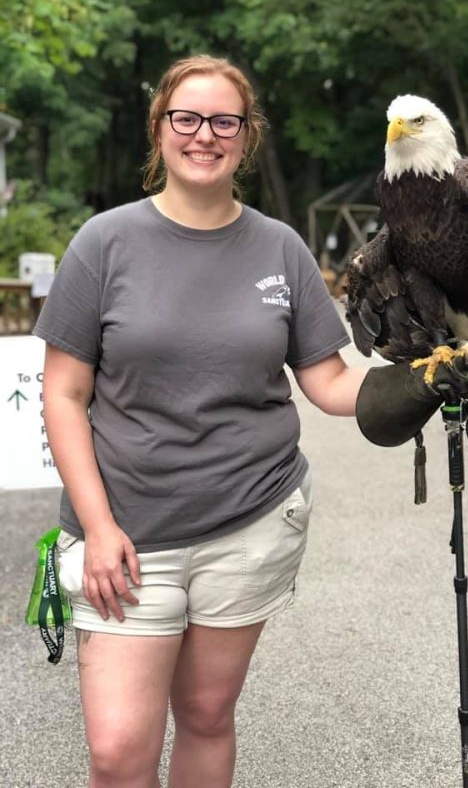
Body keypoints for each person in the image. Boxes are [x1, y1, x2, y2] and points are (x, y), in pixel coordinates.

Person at [34, 54, 368, 788]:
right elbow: (63, 394)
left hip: (251, 520)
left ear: (247, 137)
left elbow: (330, 380)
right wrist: (97, 527)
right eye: (187, 118)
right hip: (127, 532)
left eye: (225, 121)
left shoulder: (281, 247)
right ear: (160, 131)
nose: (205, 135)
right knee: (119, 751)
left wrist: (424, 380)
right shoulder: (104, 243)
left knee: (209, 714)